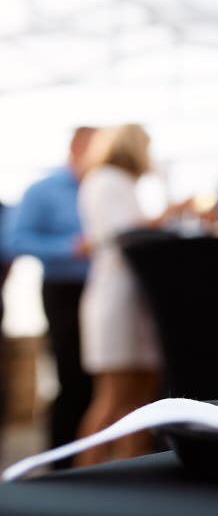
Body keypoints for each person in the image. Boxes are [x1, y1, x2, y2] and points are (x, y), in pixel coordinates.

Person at [76, 124, 185, 465]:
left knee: (138, 399)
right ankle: (79, 483)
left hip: (131, 298)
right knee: (112, 396)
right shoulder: (105, 179)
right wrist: (168, 215)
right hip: (115, 298)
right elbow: (122, 235)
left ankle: (131, 468)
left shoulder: (118, 182)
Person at [6, 127, 96, 468]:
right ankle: (61, 465)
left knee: (93, 380)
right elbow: (16, 241)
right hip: (63, 290)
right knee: (70, 376)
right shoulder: (43, 189)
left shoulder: (100, 187)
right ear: (77, 148)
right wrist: (70, 248)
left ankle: (91, 461)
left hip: (98, 291)